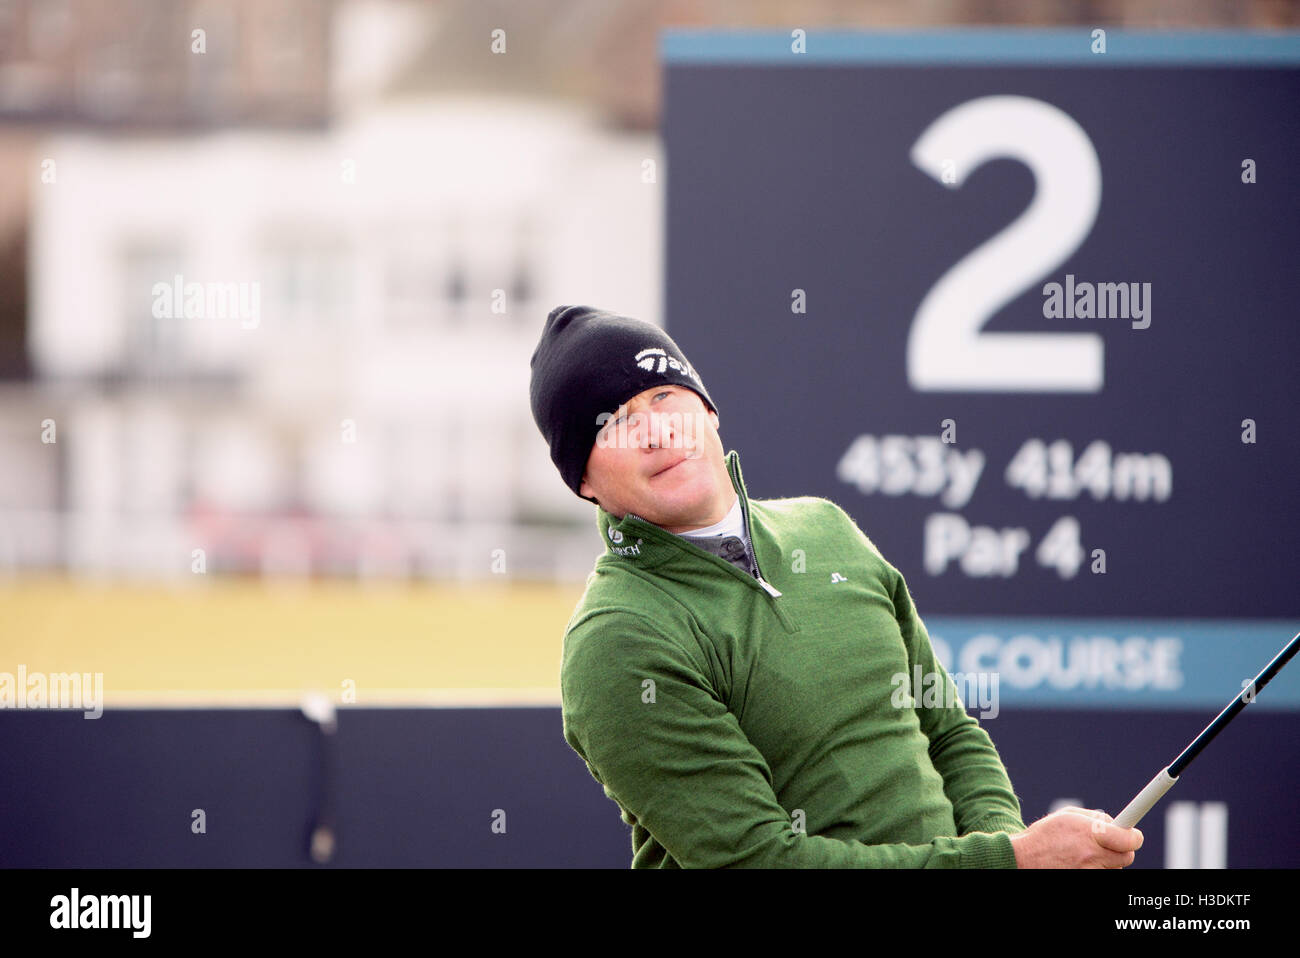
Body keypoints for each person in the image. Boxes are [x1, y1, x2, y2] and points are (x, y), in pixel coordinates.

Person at [529, 304, 1144, 869]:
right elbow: (760, 861)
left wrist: (1009, 851)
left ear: (707, 409)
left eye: (663, 396)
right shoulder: (617, 639)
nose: (656, 433)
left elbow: (948, 730)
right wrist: (1008, 863)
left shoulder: (825, 527)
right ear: (583, 481)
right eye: (614, 424)